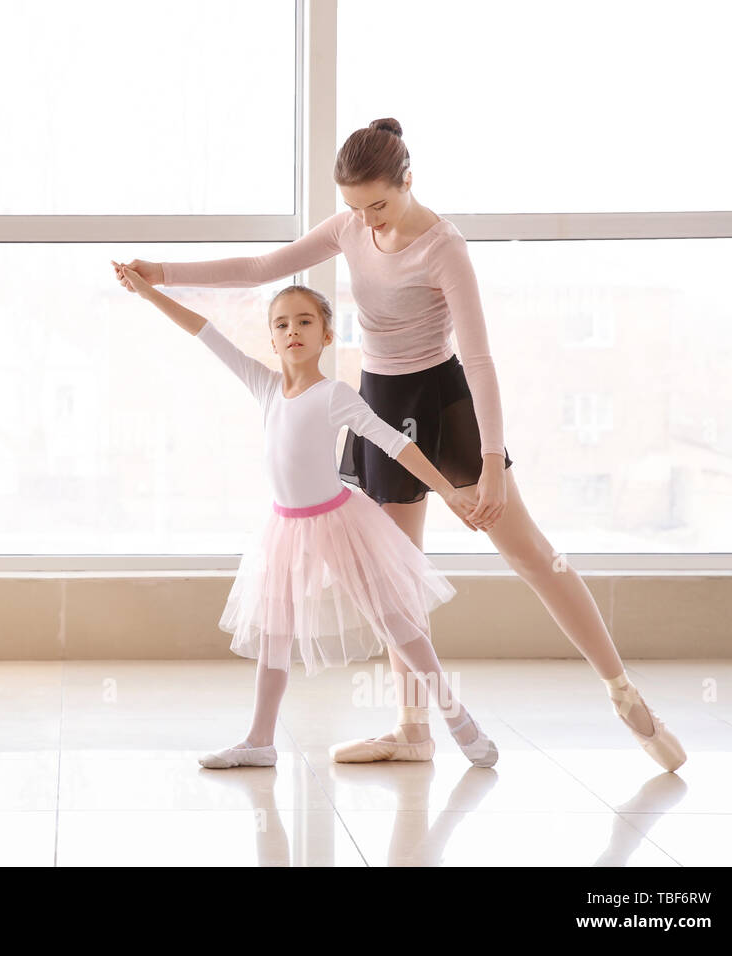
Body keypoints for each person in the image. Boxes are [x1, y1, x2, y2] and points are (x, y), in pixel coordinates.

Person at [111, 117, 685, 774]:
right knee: (394, 581)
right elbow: (263, 266)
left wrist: (491, 465)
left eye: (378, 204)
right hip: (380, 398)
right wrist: (163, 271)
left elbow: (480, 360)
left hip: (442, 402)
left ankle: (623, 692)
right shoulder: (352, 224)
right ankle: (414, 729)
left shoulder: (444, 249)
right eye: (355, 207)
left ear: (408, 180)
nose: (367, 220)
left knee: (533, 557)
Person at [115, 265, 498, 769]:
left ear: (327, 334)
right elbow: (204, 331)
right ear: (272, 339)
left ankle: (458, 720)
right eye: (281, 324)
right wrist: (148, 292)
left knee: (396, 619)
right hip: (284, 530)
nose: (292, 331)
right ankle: (259, 740)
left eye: (304, 322)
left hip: (339, 523)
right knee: (274, 635)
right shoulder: (264, 386)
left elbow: (395, 442)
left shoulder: (334, 394)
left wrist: (449, 491)